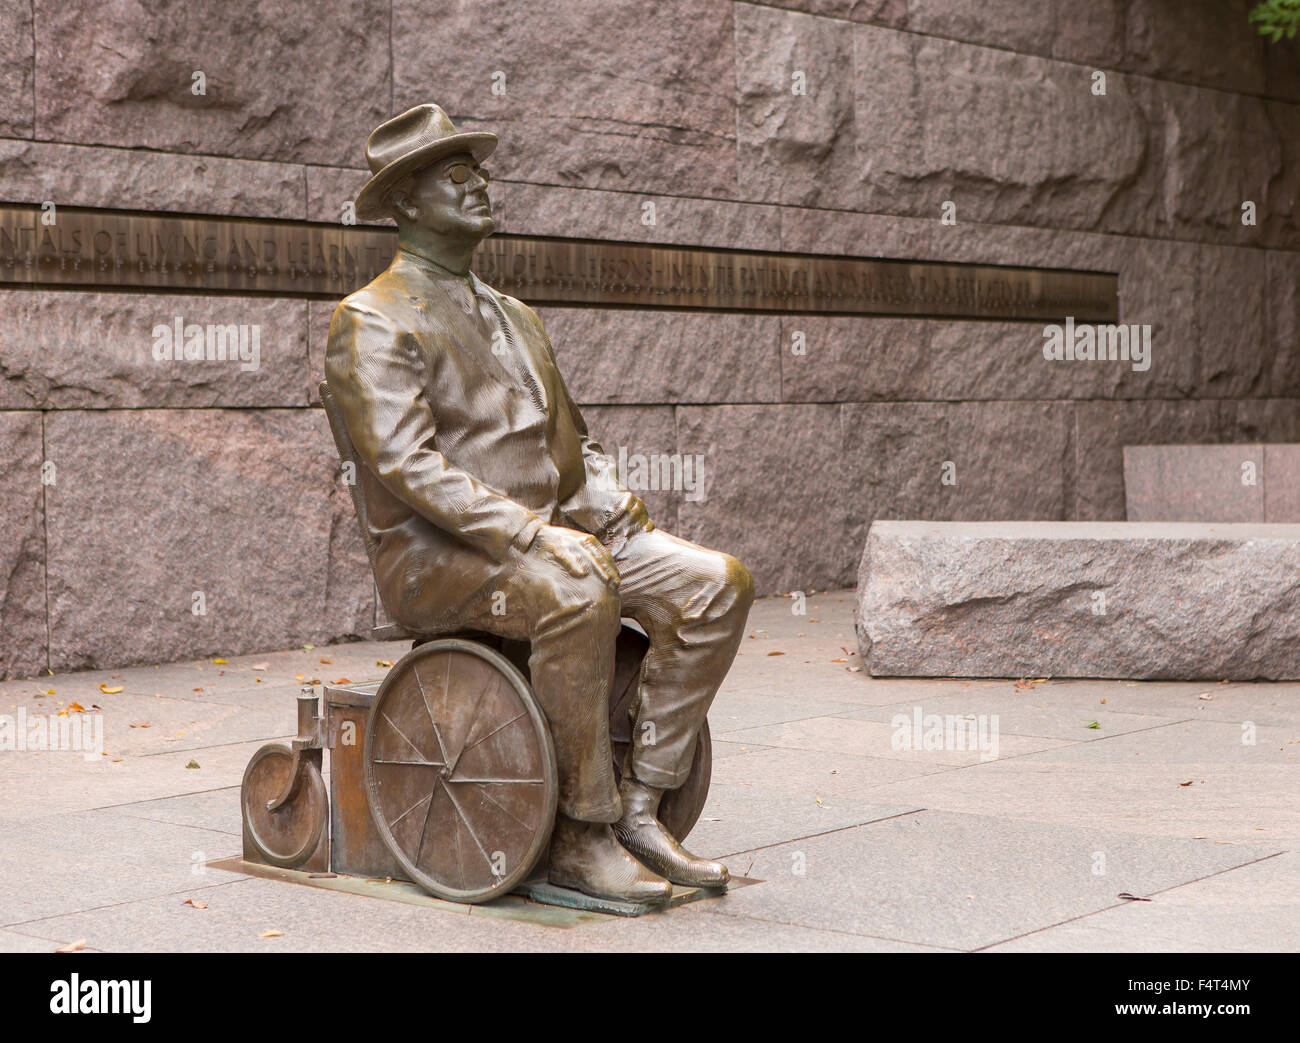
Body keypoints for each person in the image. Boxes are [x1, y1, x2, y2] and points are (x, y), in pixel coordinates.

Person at [326, 104, 754, 904]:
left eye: (480, 171)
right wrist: (529, 535)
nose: (482, 185)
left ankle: (638, 803)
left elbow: (571, 448)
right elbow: (405, 464)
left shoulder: (517, 315)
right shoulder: (370, 319)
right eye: (458, 177)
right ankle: (576, 836)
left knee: (716, 582)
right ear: (407, 204)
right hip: (438, 557)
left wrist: (615, 512)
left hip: (547, 535)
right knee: (577, 589)